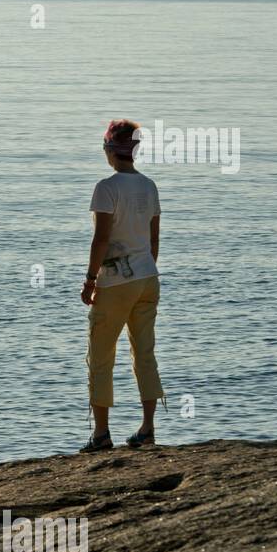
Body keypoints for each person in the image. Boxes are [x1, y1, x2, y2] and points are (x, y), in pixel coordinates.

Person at [79, 119, 166, 452]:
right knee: (144, 354)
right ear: (134, 150)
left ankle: (101, 434)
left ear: (110, 150)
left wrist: (90, 279)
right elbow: (154, 239)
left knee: (100, 356)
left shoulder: (106, 188)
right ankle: (147, 430)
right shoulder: (149, 186)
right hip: (147, 278)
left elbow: (101, 239)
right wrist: (145, 269)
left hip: (116, 282)